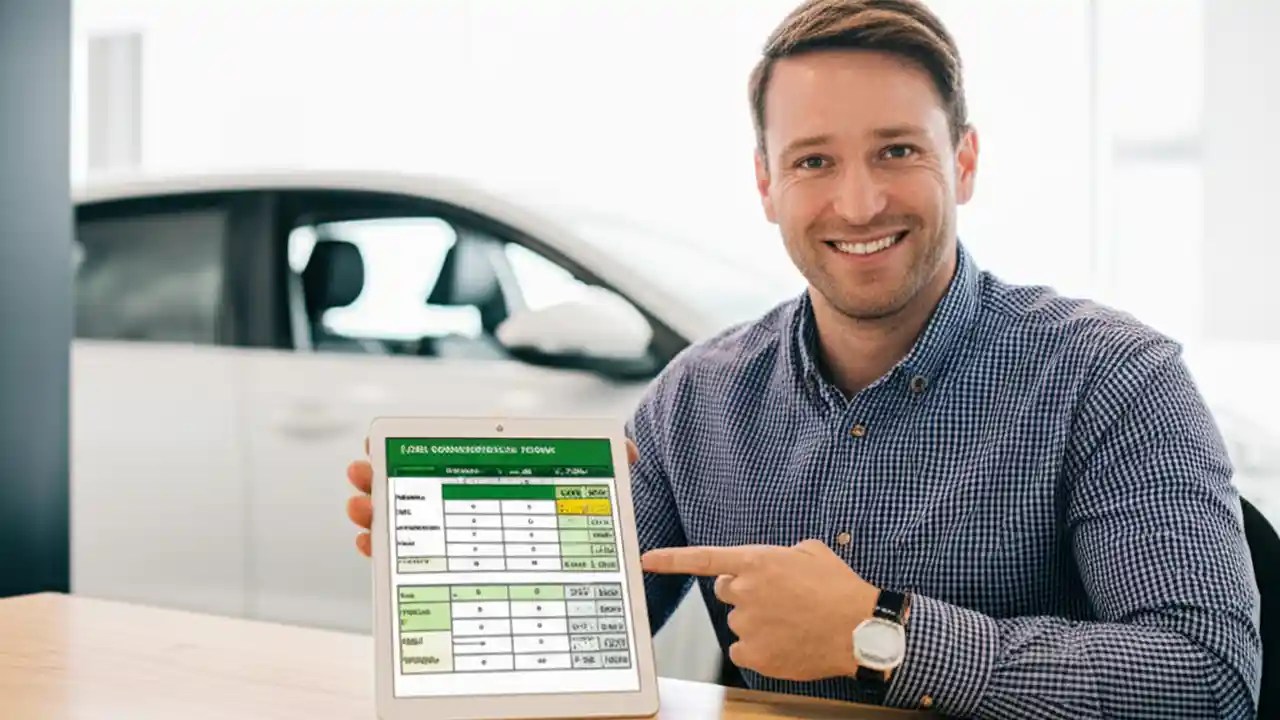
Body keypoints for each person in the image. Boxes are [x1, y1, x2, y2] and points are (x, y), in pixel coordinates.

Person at [345, 0, 1262, 716]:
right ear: (766, 183)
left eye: (897, 150)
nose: (858, 204)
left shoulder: (1114, 378)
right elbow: (579, 654)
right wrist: (476, 575)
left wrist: (880, 634)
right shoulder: (696, 399)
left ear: (965, 161)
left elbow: (1210, 678)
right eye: (814, 162)